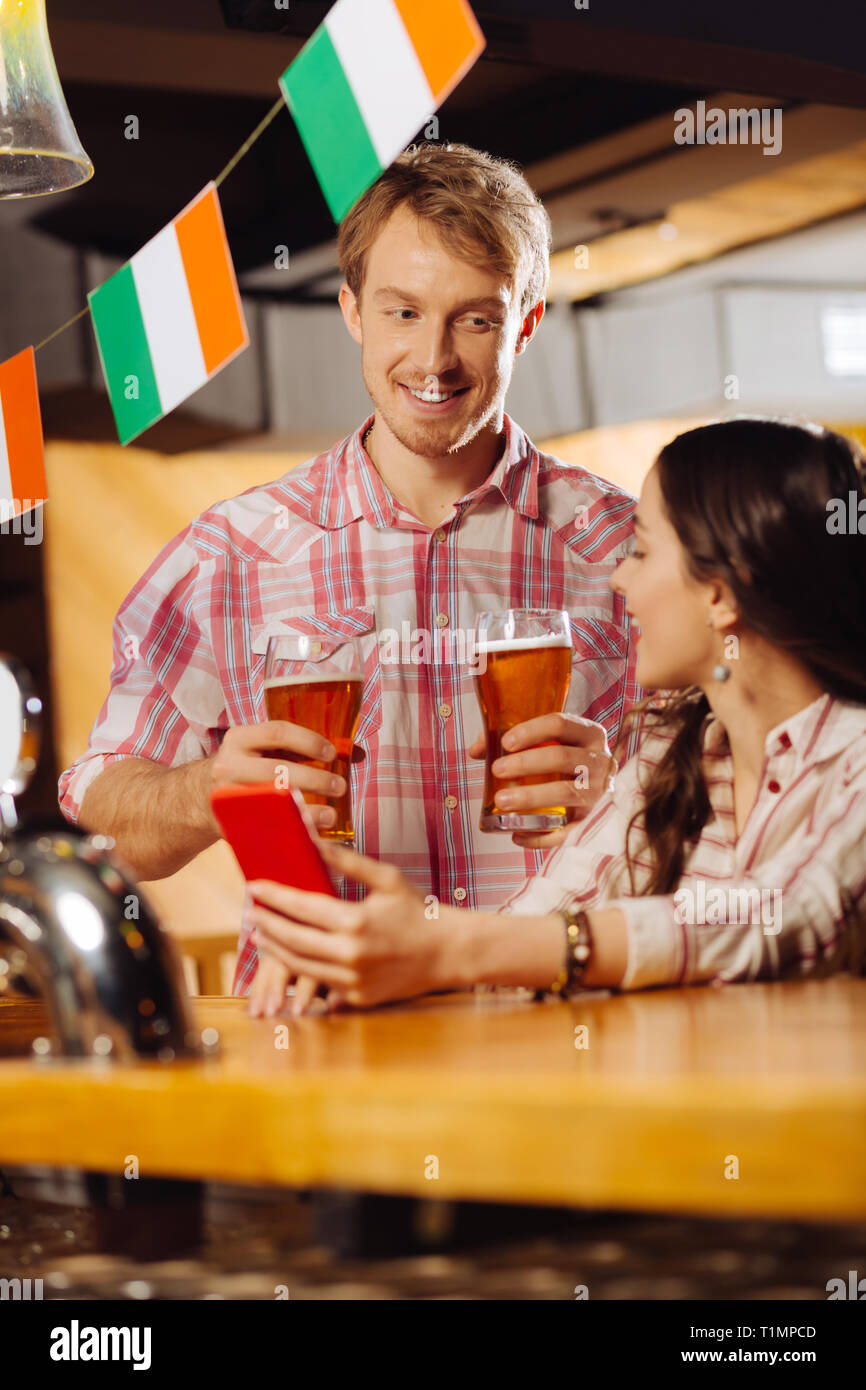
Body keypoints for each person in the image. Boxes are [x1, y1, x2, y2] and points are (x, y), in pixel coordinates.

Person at [56, 143, 640, 1008]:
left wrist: (628, 787)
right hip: (324, 1039)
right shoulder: (233, 549)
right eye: (403, 312)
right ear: (352, 310)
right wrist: (203, 794)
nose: (434, 360)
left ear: (525, 321)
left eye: (474, 319)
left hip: (569, 1040)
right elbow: (103, 816)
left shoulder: (628, 546)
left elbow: (745, 806)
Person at [243, 417, 866, 1010]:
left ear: (721, 592)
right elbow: (539, 922)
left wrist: (451, 948)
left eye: (643, 553)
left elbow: (781, 915)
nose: (619, 579)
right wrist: (357, 957)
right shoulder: (670, 754)